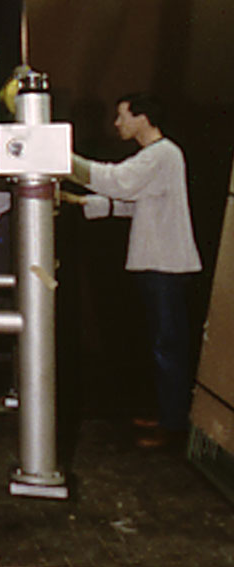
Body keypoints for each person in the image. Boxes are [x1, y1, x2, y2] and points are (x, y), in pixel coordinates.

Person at [63, 91, 201, 450]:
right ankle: (169, 414)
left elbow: (117, 181)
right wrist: (77, 200)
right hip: (157, 264)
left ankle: (173, 426)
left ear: (143, 117)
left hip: (165, 266)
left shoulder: (162, 154)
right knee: (161, 343)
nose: (117, 123)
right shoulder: (154, 157)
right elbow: (127, 204)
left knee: (166, 347)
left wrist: (62, 158)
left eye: (122, 116)